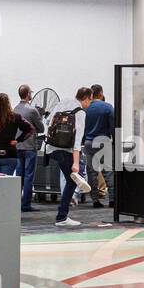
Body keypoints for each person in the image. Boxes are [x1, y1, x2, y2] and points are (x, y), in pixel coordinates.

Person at [46, 87, 93, 227]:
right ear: (85, 98)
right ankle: (62, 217)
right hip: (66, 150)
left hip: (51, 148)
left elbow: (48, 121)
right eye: (90, 100)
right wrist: (76, 164)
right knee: (73, 181)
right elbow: (77, 141)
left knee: (69, 179)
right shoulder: (80, 113)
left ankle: (63, 215)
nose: (89, 104)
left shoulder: (64, 102)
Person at [81, 84, 115, 208]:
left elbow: (81, 127)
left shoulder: (85, 108)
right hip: (104, 142)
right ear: (101, 93)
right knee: (108, 172)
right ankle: (112, 199)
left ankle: (95, 200)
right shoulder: (107, 107)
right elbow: (113, 126)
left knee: (91, 173)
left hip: (89, 143)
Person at [14, 85, 45, 212]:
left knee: (19, 175)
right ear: (28, 94)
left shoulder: (14, 109)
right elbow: (41, 129)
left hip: (18, 146)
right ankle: (25, 204)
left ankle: (16, 202)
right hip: (29, 145)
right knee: (29, 176)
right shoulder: (32, 110)